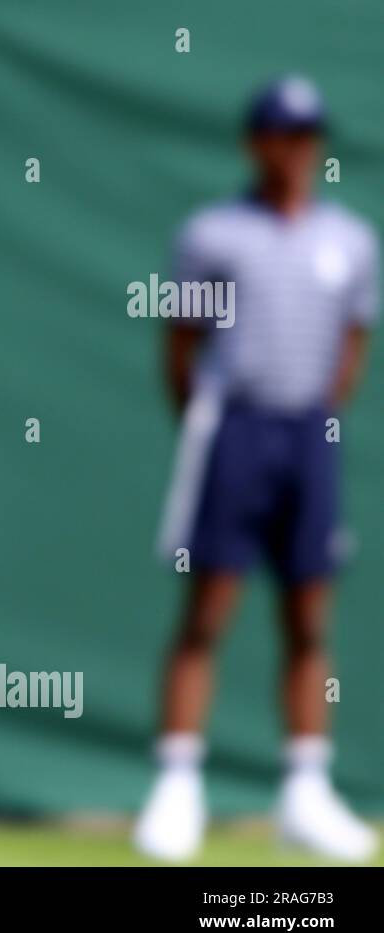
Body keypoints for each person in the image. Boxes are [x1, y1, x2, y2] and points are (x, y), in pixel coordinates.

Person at [137, 76, 378, 862]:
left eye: (308, 134)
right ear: (255, 142)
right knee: (208, 609)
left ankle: (306, 793)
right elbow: (180, 344)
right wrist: (214, 424)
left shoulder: (350, 238)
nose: (296, 149)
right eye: (281, 133)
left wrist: (318, 413)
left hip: (311, 435)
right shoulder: (214, 234)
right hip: (234, 430)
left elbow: (351, 343)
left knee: (310, 616)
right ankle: (177, 786)